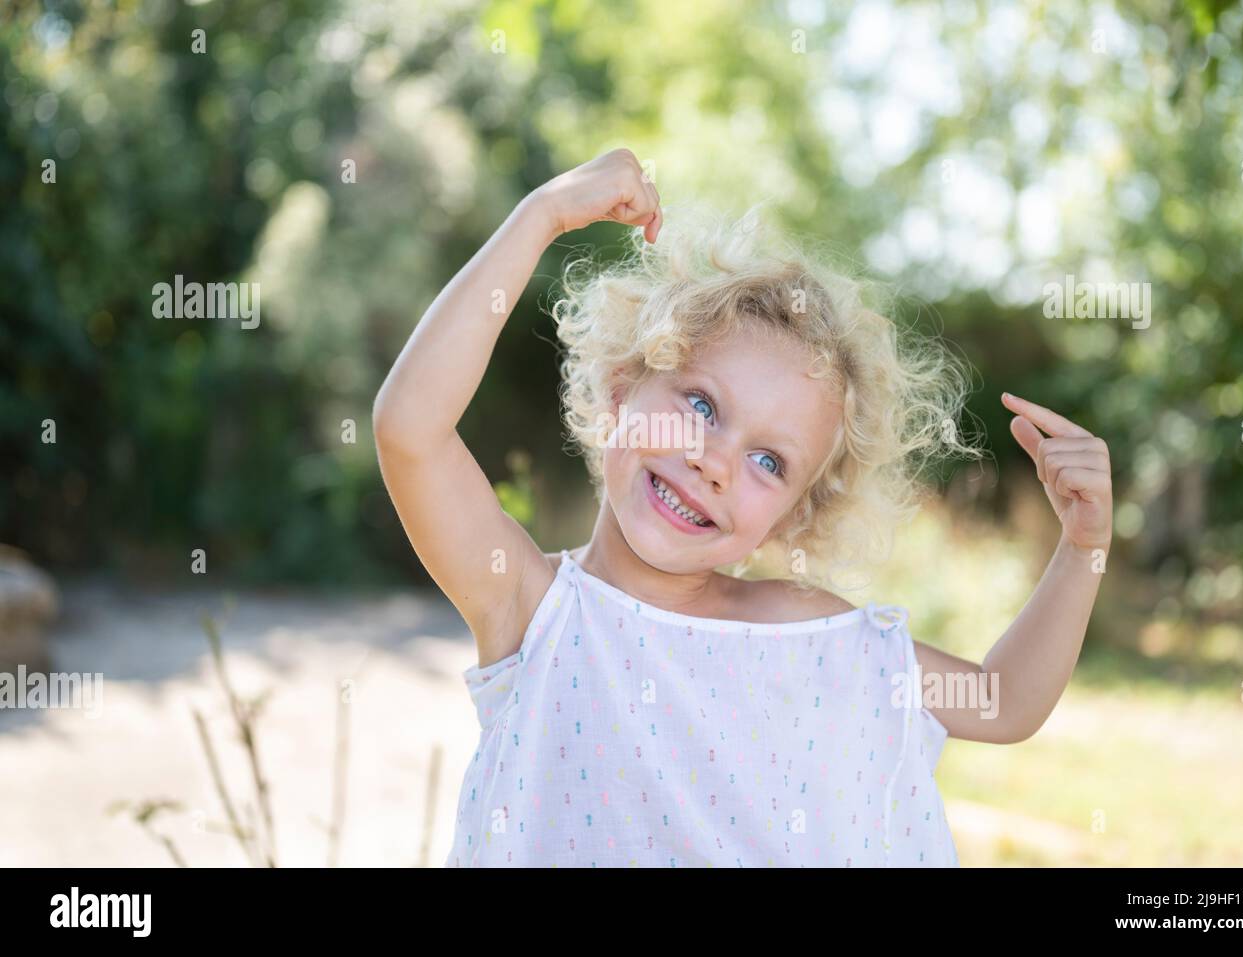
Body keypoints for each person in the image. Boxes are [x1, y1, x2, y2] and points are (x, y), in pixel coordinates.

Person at [373, 148, 1113, 867]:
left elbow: (1003, 700)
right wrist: (542, 215)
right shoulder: (532, 610)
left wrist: (1083, 546)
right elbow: (410, 430)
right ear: (622, 389)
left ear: (791, 516)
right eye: (701, 404)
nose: (716, 463)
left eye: (769, 461)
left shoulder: (810, 634)